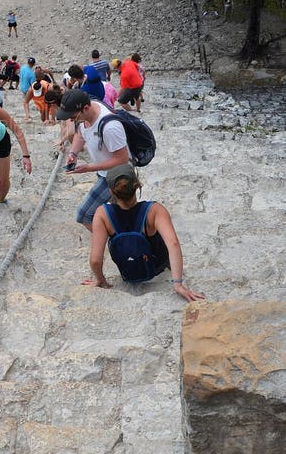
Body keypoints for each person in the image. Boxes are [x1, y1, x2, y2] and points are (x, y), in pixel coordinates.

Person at [86, 164, 205, 302]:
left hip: (129, 275)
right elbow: (173, 244)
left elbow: (95, 260)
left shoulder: (102, 213)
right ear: (137, 185)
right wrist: (178, 285)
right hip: (156, 271)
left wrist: (101, 281)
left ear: (112, 191)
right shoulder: (154, 210)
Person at [57, 89, 130, 231]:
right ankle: (122, 232)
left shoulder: (110, 127)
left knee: (83, 214)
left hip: (117, 176)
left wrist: (90, 167)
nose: (71, 120)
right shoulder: (86, 114)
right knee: (118, 209)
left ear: (85, 108)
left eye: (73, 117)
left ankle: (114, 241)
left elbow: (122, 159)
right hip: (103, 172)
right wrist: (73, 153)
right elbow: (81, 133)